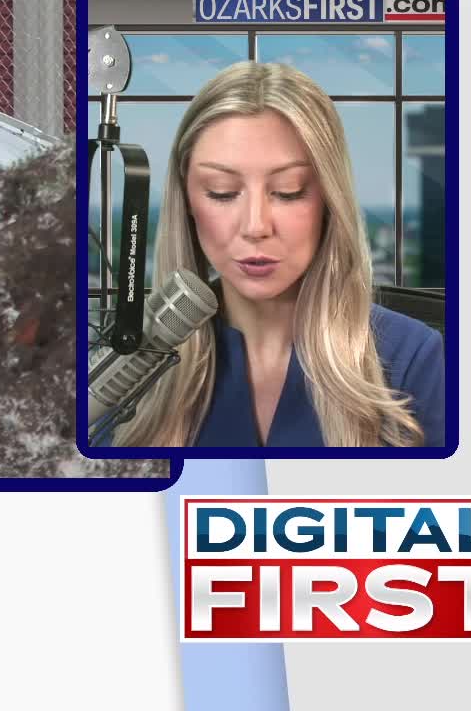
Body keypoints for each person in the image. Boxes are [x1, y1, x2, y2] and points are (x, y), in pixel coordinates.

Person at [111, 61, 446, 448]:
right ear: (186, 198)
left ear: (328, 200)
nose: (256, 225)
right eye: (221, 191)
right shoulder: (125, 369)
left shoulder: (413, 360)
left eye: (288, 191)